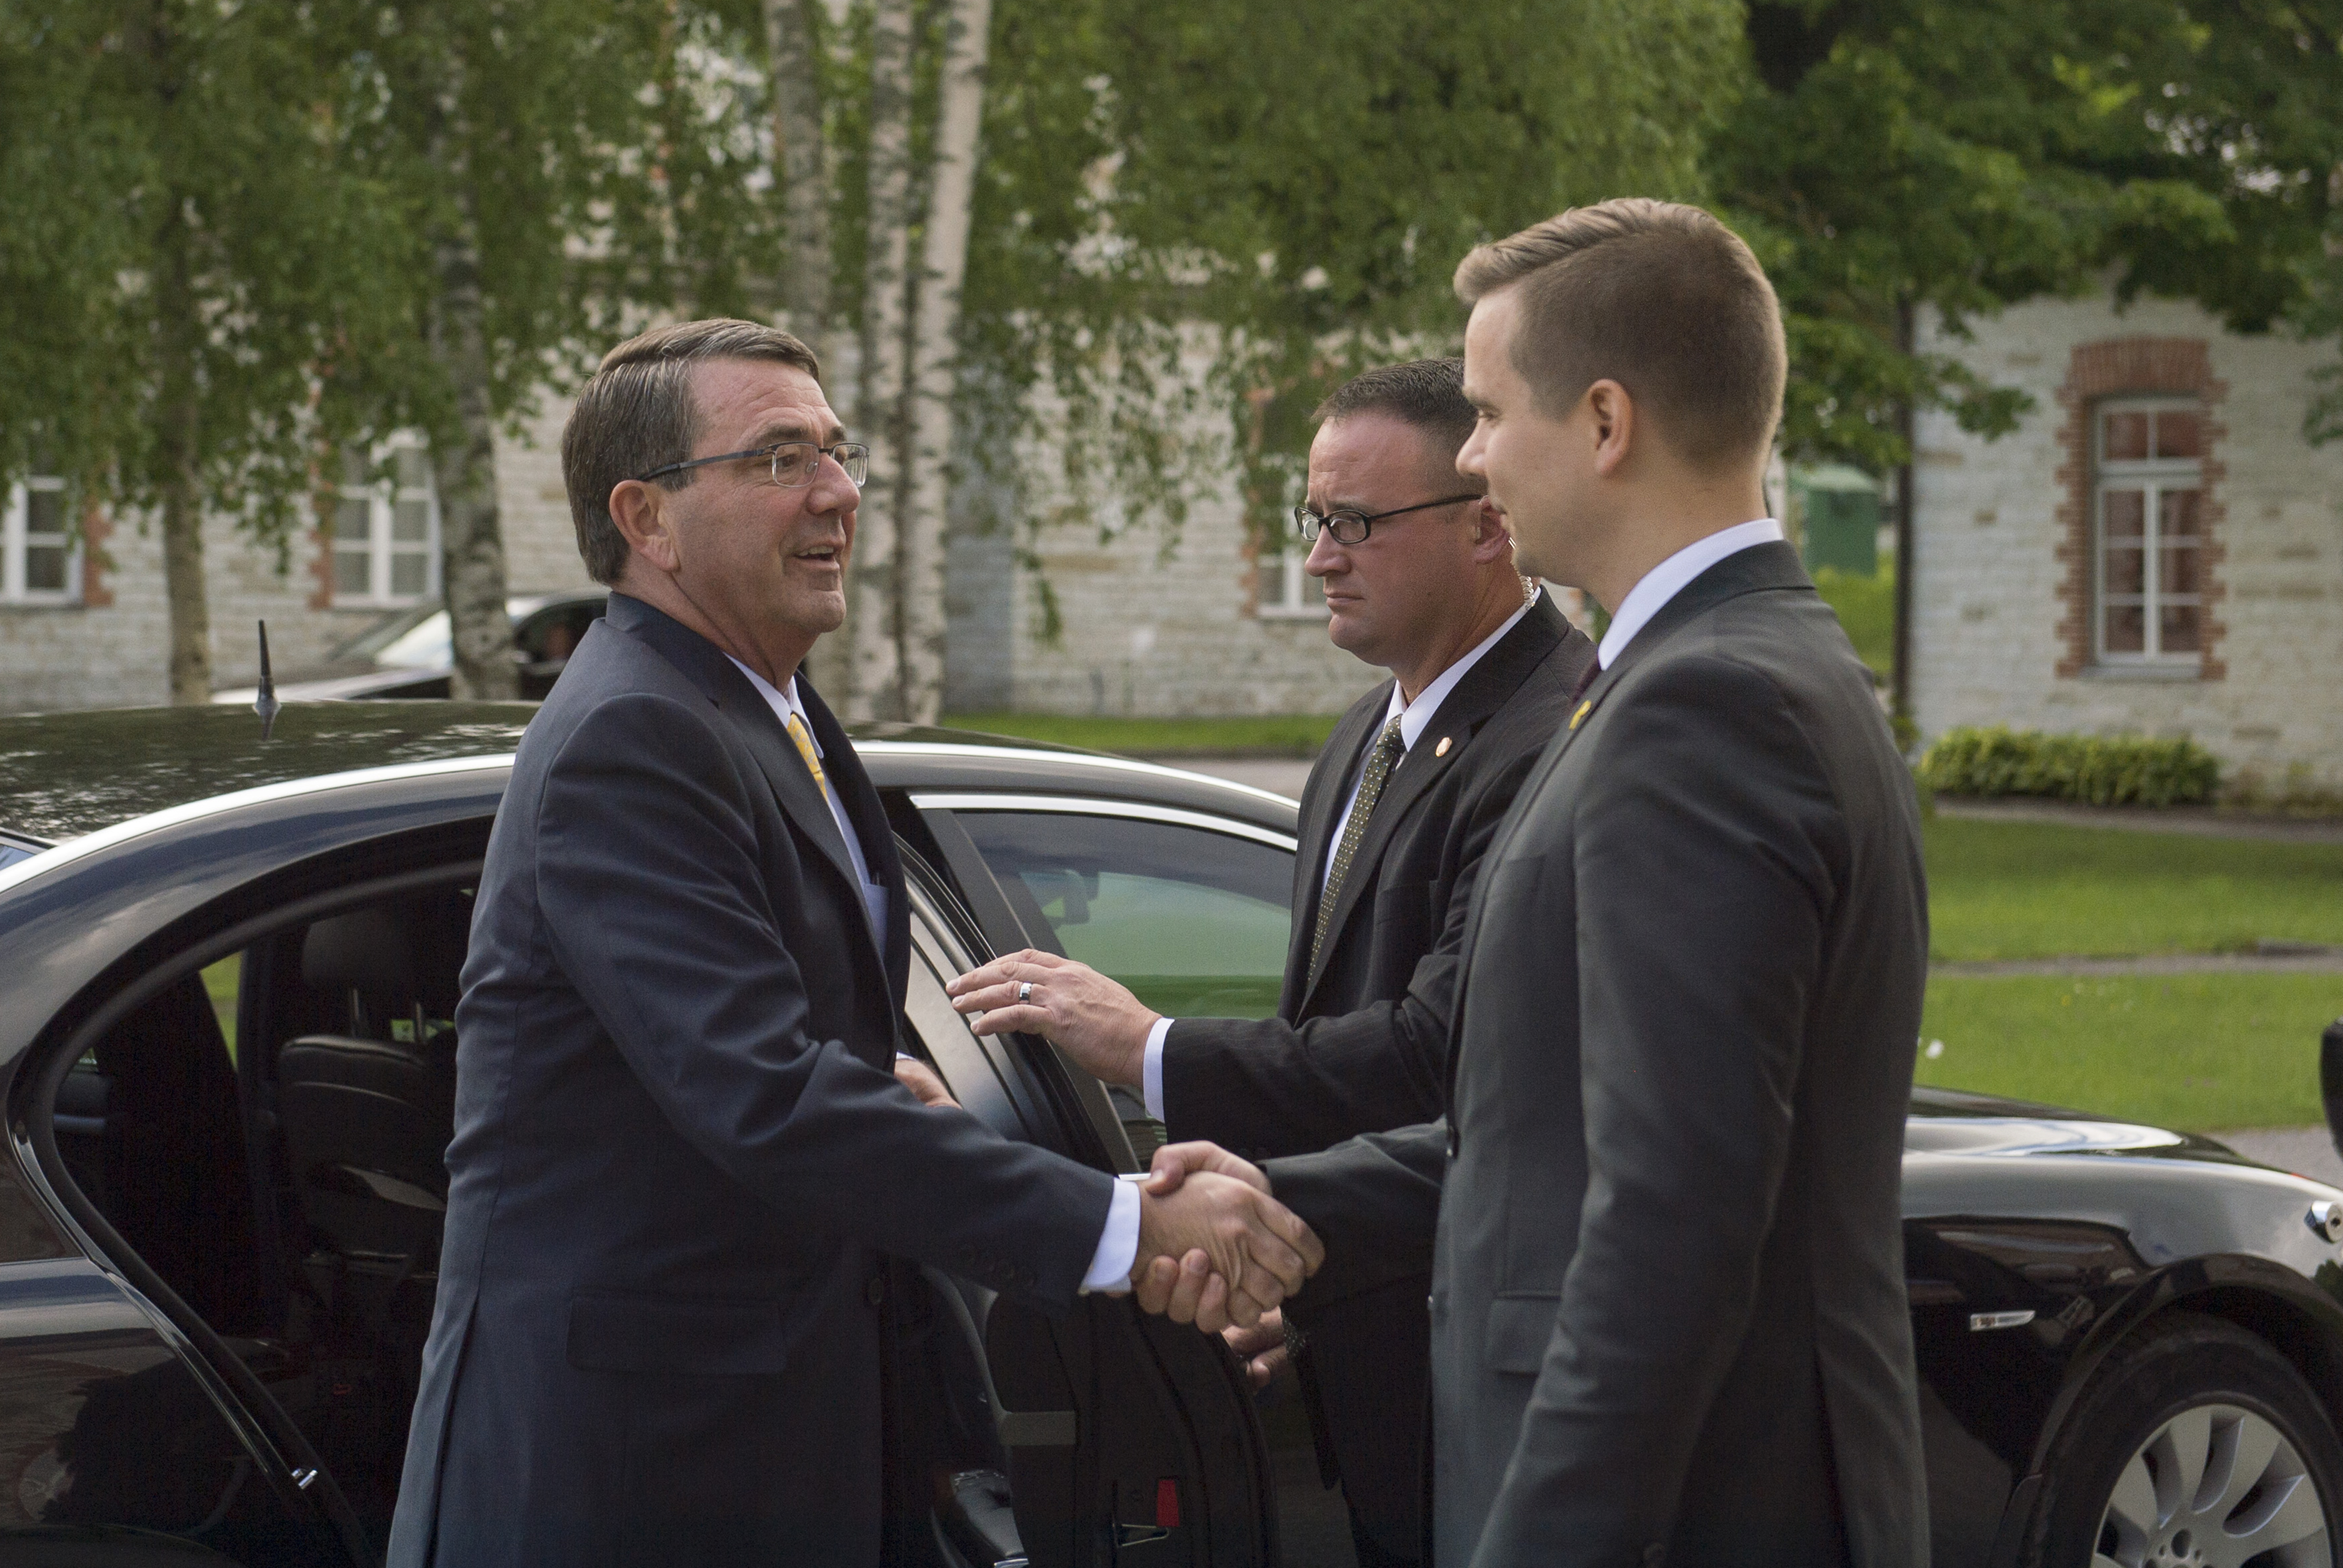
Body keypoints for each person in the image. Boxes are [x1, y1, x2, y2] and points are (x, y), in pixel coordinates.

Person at [385, 318, 1321, 1568]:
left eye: (836, 449)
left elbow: (733, 1041)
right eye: (778, 459)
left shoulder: (761, 707)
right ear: (646, 518)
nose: (838, 491)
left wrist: (871, 1073)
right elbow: (762, 1094)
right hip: (633, 1473)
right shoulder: (636, 739)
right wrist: (1125, 1226)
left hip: (761, 1437)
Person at [1148, 199, 1931, 1565]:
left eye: (1492, 412)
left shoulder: (1703, 709)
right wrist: (1300, 1201)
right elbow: (1566, 1122)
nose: (1473, 455)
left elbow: (1671, 1224)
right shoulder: (1733, 669)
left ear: (1608, 424)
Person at [947, 358, 1594, 1566]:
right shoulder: (1364, 736)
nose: (1319, 559)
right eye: (1314, 521)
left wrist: (1149, 1049)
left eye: (1354, 523)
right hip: (1371, 1352)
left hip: (1492, 1374)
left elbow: (1441, 1051)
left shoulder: (1560, 736)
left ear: (1486, 529)